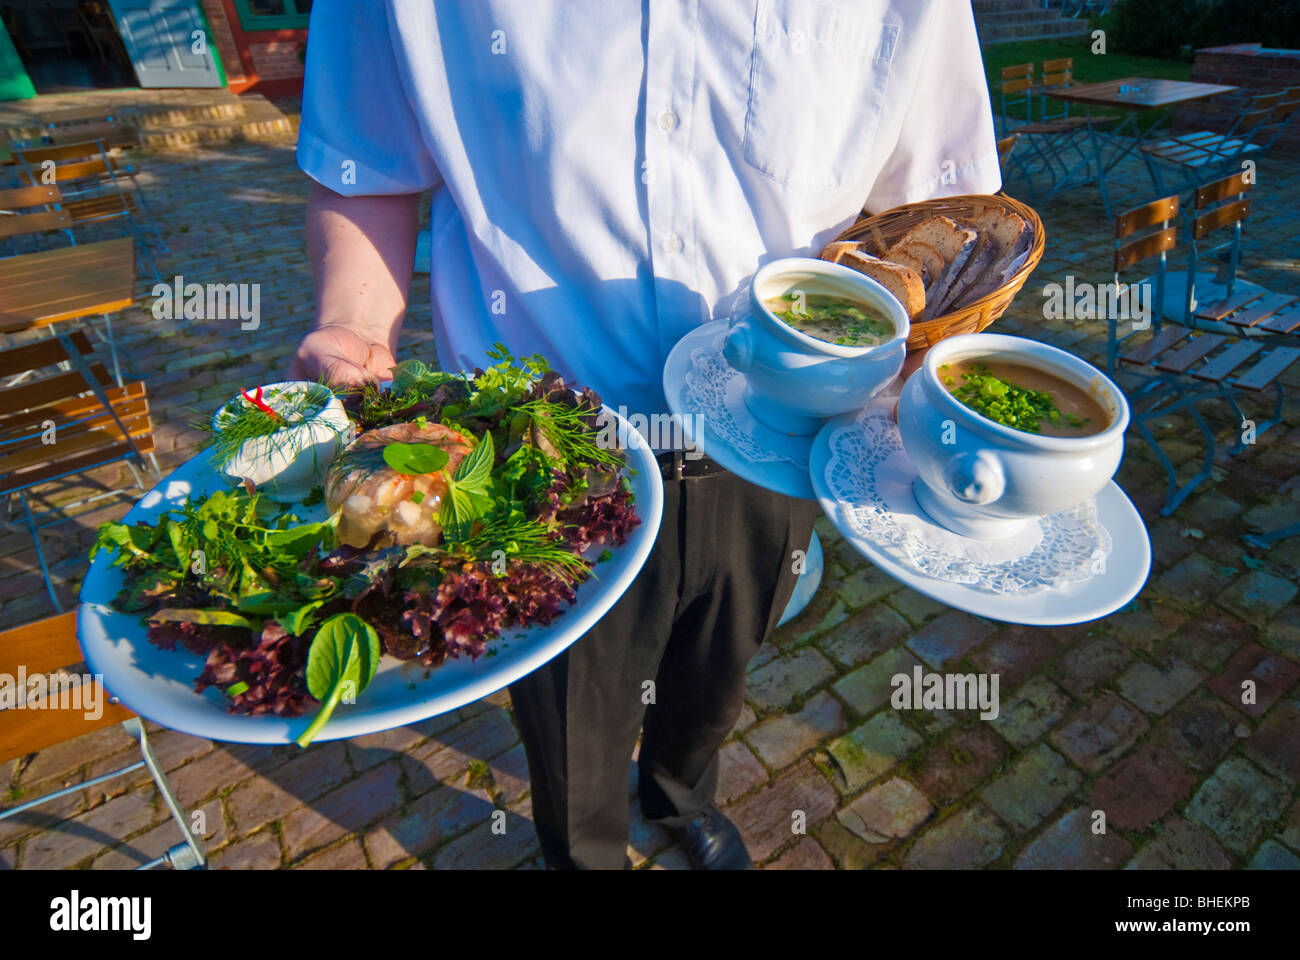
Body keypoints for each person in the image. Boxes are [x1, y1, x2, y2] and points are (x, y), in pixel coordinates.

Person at [290, 0, 1000, 870]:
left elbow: (937, 206)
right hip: (544, 449)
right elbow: (370, 164)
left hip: (777, 431)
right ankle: (582, 852)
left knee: (719, 665)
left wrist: (935, 398)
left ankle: (676, 796)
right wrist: (355, 326)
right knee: (567, 704)